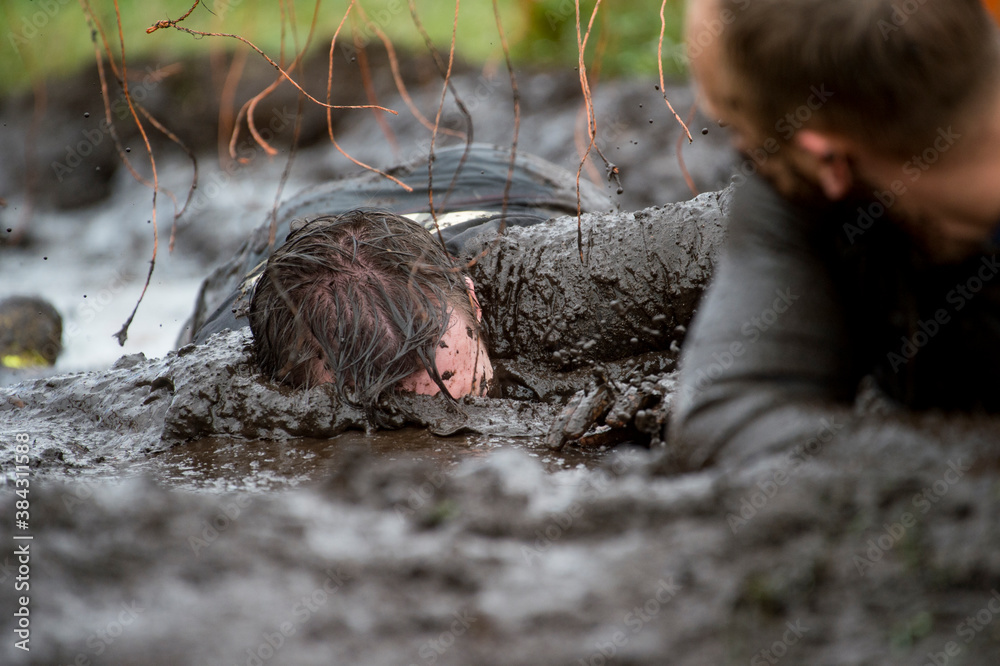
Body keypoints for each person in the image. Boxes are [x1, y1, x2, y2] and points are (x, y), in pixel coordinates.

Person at [670, 0, 1000, 468]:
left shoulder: (802, 169)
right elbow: (731, 417)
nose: (744, 156)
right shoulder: (807, 198)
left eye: (736, 128)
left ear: (825, 156)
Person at [181, 144, 616, 417]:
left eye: (475, 396)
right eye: (395, 419)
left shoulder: (563, 267)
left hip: (498, 176)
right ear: (285, 383)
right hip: (301, 217)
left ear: (473, 300)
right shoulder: (217, 352)